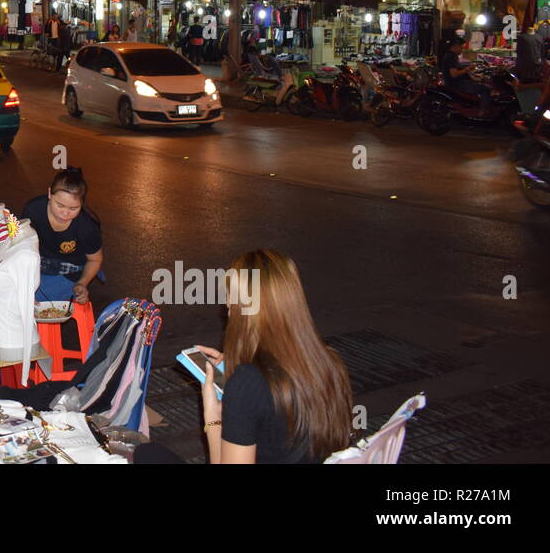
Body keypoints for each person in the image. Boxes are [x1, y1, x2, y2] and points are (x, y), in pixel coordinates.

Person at [138, 249, 353, 464]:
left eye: (230, 305)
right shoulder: (330, 362)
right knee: (149, 454)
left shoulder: (248, 383)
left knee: (145, 455)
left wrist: (213, 420)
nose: (228, 312)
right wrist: (240, 370)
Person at [20, 168, 104, 305]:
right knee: (2, 286)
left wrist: (82, 284)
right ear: (49, 194)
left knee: (31, 303)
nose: (65, 214)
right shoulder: (33, 210)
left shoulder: (87, 226)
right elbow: (22, 244)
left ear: (82, 204)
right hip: (40, 262)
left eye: (73, 209)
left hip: (70, 270)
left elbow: (95, 260)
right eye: (60, 205)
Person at [440, 35, 490, 114]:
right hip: (456, 84)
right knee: (485, 89)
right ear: (455, 46)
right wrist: (468, 69)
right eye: (461, 47)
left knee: (480, 83)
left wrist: (471, 73)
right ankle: (482, 113)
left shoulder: (452, 55)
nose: (462, 50)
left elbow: (458, 68)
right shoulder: (451, 57)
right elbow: (454, 74)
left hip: (457, 82)